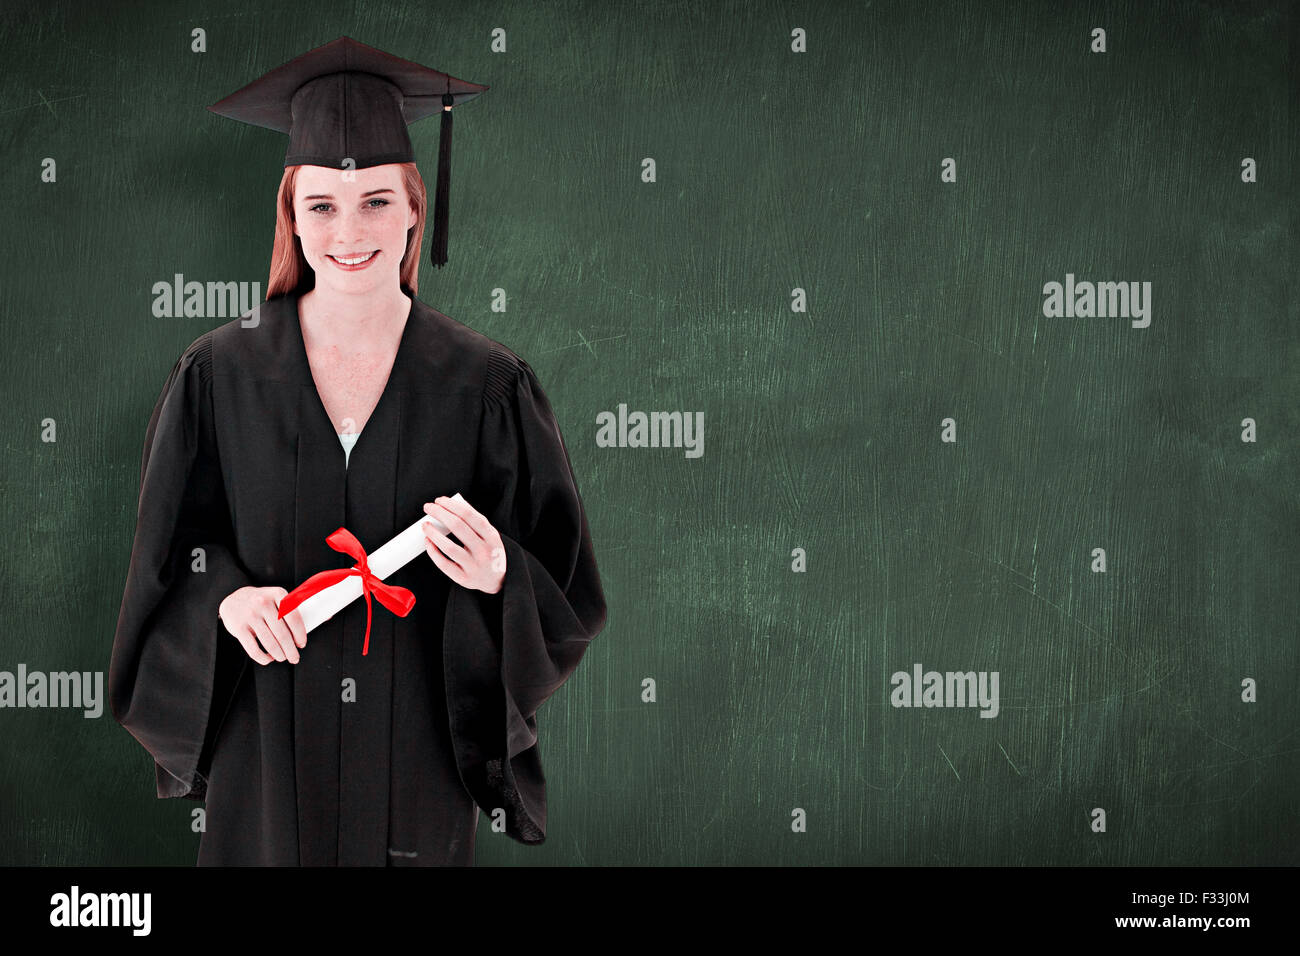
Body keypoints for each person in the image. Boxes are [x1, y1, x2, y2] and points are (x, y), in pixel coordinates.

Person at [109, 37, 607, 866]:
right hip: (262, 750)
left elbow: (564, 586)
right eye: (323, 206)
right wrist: (226, 601)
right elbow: (172, 559)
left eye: (377, 201)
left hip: (415, 761)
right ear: (291, 215)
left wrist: (498, 575)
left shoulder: (488, 385)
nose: (350, 231)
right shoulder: (217, 377)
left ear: (416, 206)